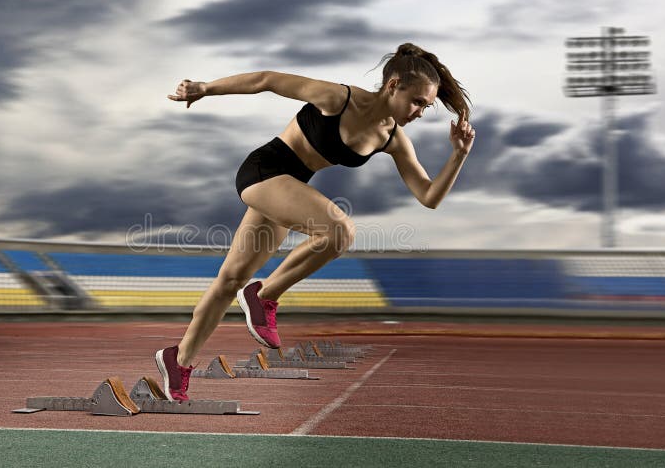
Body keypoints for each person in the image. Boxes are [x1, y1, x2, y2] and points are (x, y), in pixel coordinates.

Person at [155, 42, 475, 401]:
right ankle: (264, 295)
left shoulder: (392, 138)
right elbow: (267, 80)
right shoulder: (338, 98)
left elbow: (429, 196)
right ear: (393, 85)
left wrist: (458, 155)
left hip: (289, 187)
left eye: (426, 107)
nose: (419, 112)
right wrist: (205, 88)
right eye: (417, 102)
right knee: (339, 231)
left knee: (228, 280)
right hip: (265, 170)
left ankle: (178, 360)